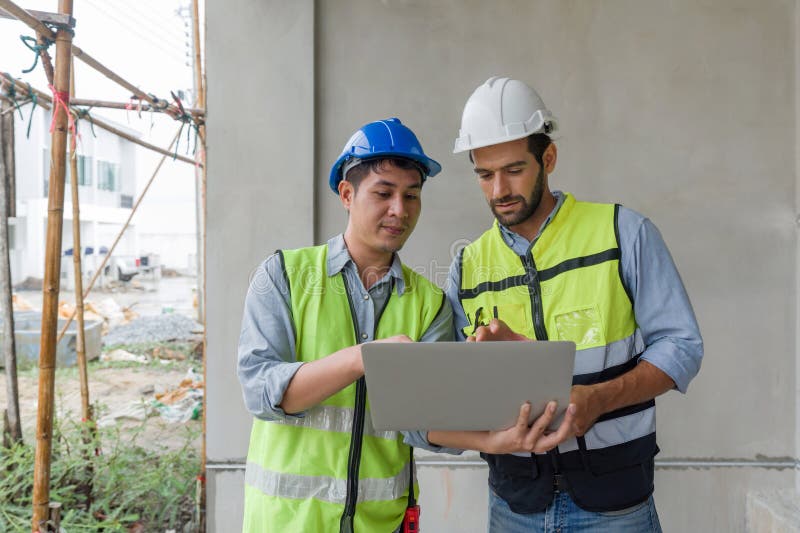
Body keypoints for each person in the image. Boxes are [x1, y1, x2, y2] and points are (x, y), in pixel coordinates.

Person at [236, 117, 567, 533]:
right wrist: (364, 358)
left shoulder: (429, 303)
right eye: (384, 193)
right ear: (346, 194)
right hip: (285, 524)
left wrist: (492, 441)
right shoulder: (283, 275)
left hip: (383, 524)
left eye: (411, 195)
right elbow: (262, 391)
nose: (400, 210)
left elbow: (423, 421)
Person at [429, 77, 704, 531]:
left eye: (514, 169)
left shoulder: (623, 233)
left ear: (548, 159)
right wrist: (488, 364)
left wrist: (597, 398)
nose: (499, 189)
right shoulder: (469, 263)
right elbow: (464, 395)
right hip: (514, 505)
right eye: (484, 174)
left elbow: (682, 347)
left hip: (616, 505)